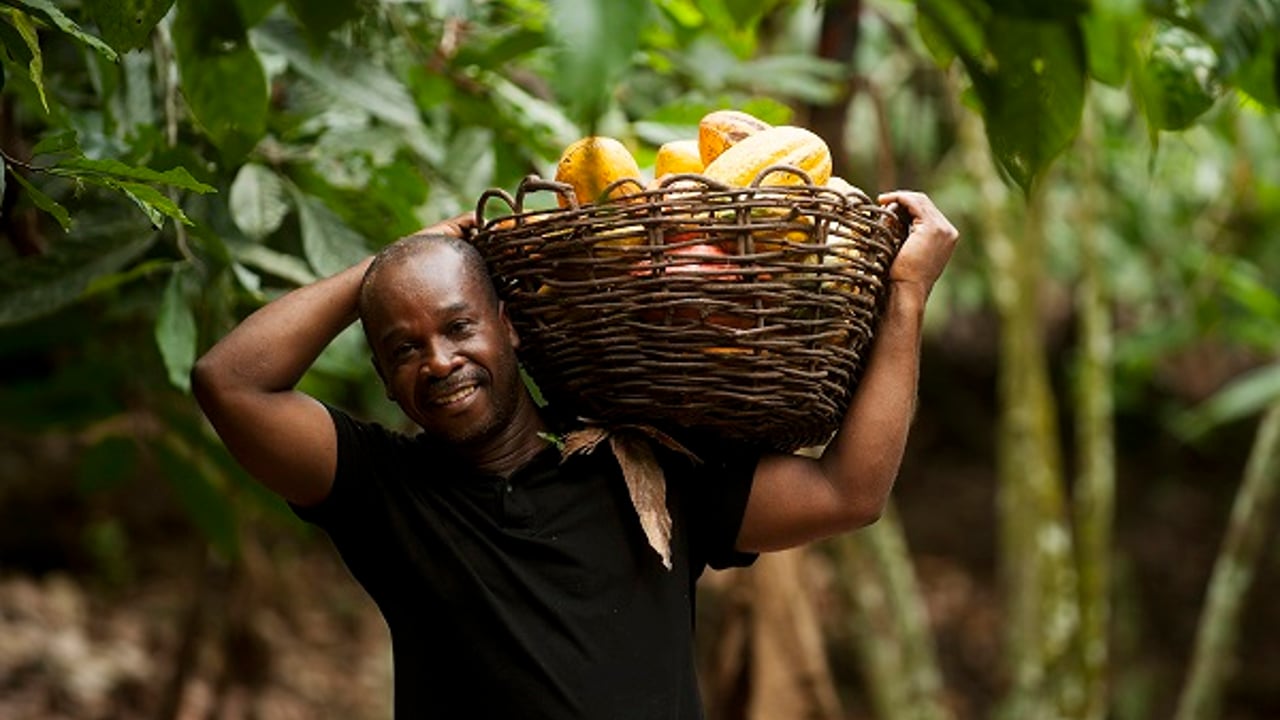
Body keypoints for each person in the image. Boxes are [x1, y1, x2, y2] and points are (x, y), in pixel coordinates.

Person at [191, 190, 958, 718]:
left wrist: (907, 295)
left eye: (457, 327)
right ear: (386, 382)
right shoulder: (389, 493)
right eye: (404, 348)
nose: (439, 361)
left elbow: (847, 494)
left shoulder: (642, 468)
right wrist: (399, 262)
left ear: (508, 326)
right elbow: (229, 382)